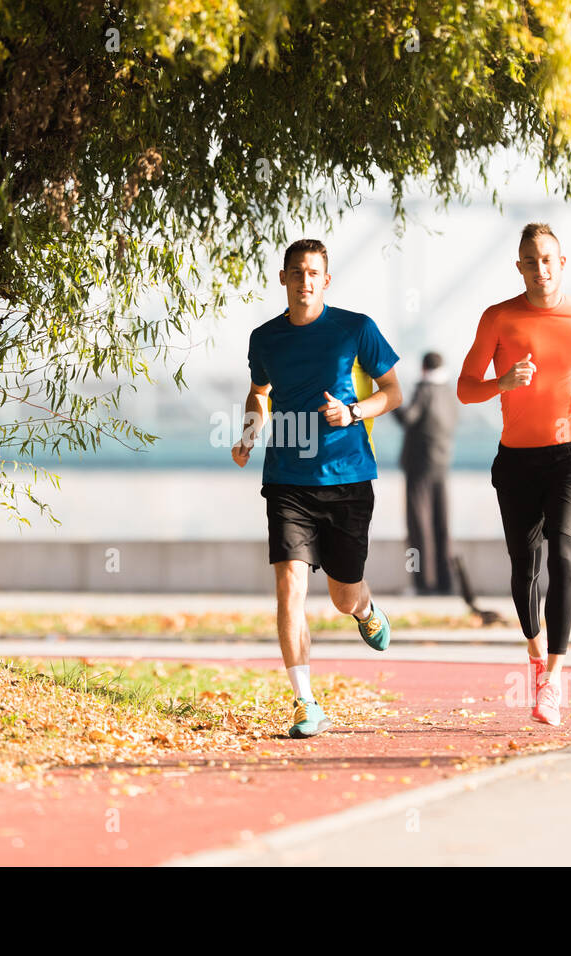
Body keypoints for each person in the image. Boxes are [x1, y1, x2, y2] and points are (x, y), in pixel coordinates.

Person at [232, 238, 403, 739]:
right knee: (289, 586)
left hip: (347, 477)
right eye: (296, 272)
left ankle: (365, 610)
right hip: (287, 479)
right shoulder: (264, 339)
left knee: (342, 595)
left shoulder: (355, 329)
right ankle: (305, 703)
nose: (305, 281)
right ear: (283, 278)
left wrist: (352, 411)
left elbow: (392, 393)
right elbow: (259, 392)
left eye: (314, 273)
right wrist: (248, 431)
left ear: (325, 281)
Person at [456, 223, 571, 727]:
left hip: (569, 456)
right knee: (526, 565)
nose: (540, 269)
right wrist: (501, 382)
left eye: (548, 259)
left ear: (562, 262)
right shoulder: (499, 318)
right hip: (517, 460)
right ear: (519, 267)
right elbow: (464, 387)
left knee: (563, 554)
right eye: (531, 261)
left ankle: (555, 678)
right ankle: (533, 649)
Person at [392, 351, 458, 595]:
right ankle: (445, 581)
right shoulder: (449, 392)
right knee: (442, 523)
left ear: (423, 369)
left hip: (419, 466)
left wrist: (393, 402)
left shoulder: (424, 390)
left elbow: (408, 417)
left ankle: (423, 584)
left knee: (419, 525)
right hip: (442, 464)